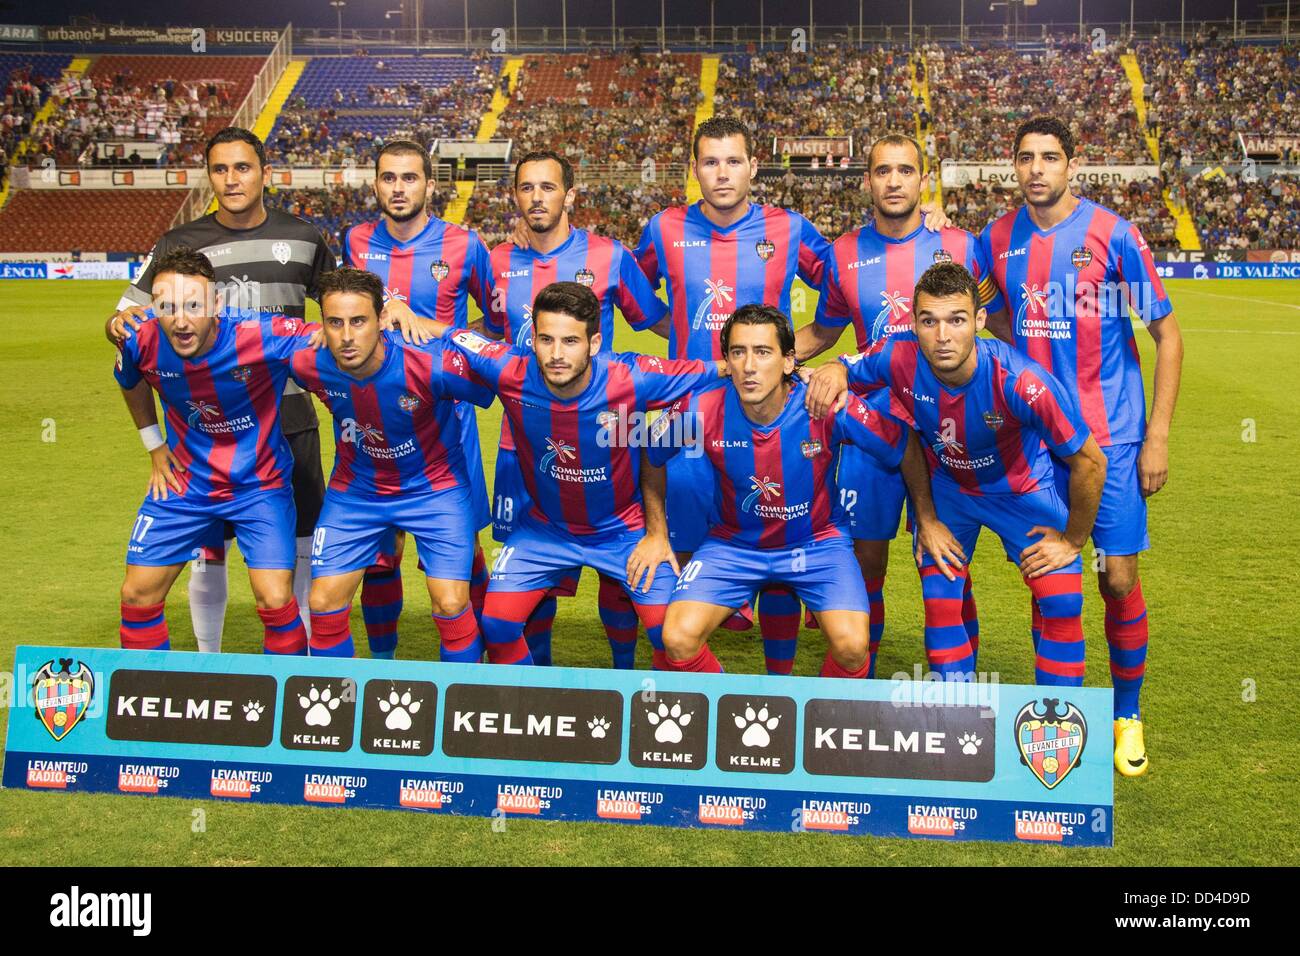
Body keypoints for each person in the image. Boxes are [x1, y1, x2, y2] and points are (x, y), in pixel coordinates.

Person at [979, 116, 1183, 776]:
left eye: (1050, 157)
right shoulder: (997, 238)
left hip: (1114, 438)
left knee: (1117, 580)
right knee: (1050, 575)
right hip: (1038, 443)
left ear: (1072, 165)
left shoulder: (1112, 234)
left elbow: (1168, 337)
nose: (1037, 168)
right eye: (1025, 158)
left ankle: (1126, 712)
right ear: (1013, 166)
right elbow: (989, 311)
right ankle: (1055, 714)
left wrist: (1157, 436)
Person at [807, 262, 1108, 687]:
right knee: (940, 600)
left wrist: (1073, 540)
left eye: (957, 320)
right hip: (949, 491)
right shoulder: (898, 355)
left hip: (1022, 492)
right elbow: (847, 364)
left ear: (980, 320)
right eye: (929, 321)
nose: (943, 336)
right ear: (913, 323)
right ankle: (958, 719)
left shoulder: (1023, 383)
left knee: (1061, 603)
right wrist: (835, 370)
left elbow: (1091, 463)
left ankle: (1058, 726)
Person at [107, 126, 336, 654]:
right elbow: (124, 325)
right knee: (208, 552)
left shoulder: (304, 236)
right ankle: (206, 662)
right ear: (207, 175)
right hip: (199, 426)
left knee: (297, 542)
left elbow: (337, 314)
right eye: (220, 169)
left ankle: (290, 665)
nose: (231, 179)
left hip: (288, 417)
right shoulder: (178, 244)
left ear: (264, 173)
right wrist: (120, 328)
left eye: (242, 167)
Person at [794, 132, 1009, 677]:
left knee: (946, 561)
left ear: (923, 179)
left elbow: (998, 326)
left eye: (905, 171)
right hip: (873, 429)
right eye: (882, 171)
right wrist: (760, 358)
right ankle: (857, 679)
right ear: (867, 180)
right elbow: (824, 329)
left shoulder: (960, 245)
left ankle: (964, 686)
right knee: (866, 559)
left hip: (948, 428)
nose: (893, 181)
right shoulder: (844, 252)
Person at [633, 115, 835, 674]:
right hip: (689, 411)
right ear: (695, 169)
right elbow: (634, 296)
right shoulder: (664, 227)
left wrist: (795, 355)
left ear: (752, 166)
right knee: (688, 531)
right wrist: (687, 360)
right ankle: (702, 650)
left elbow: (839, 292)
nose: (722, 173)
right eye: (710, 161)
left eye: (733, 161)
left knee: (774, 525)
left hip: (769, 410)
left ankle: (778, 678)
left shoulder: (788, 228)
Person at [445, 282, 726, 667]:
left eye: (570, 341)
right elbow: (453, 335)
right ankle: (526, 710)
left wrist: (803, 374)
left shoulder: (632, 377)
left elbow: (719, 371)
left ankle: (690, 715)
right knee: (497, 624)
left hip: (623, 531)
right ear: (533, 339)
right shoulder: (509, 370)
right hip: (545, 528)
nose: (556, 354)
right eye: (546, 339)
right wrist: (402, 317)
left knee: (669, 633)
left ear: (594, 343)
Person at [651, 304, 921, 678]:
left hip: (817, 544)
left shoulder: (824, 405)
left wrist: (930, 518)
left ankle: (817, 722)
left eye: (762, 352)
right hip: (733, 545)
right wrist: (654, 531)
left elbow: (902, 444)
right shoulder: (699, 409)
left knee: (853, 647)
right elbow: (651, 451)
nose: (749, 366)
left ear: (788, 361)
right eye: (738, 352)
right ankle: (734, 714)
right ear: (726, 361)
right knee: (678, 638)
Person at [489, 149, 670, 667]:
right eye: (527, 188)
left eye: (548, 187)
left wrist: (722, 354)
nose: (537, 198)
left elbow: (655, 320)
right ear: (516, 196)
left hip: (608, 437)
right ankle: (535, 684)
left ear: (570, 195)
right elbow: (479, 327)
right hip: (521, 444)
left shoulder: (609, 255)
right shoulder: (498, 259)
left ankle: (624, 678)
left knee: (622, 569)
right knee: (532, 582)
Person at [113, 247, 320, 655]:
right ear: (153, 306)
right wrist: (153, 445)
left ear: (217, 304)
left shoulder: (260, 333)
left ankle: (284, 702)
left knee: (277, 600)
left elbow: (334, 334)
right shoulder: (141, 338)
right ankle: (148, 704)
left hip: (259, 485)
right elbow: (129, 378)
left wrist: (385, 314)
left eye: (194, 305)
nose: (181, 319)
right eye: (167, 306)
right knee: (137, 595)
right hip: (184, 484)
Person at [288, 268, 496, 660]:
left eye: (358, 321)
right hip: (356, 492)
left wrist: (439, 329)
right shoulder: (307, 363)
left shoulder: (430, 363)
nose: (347, 336)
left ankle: (460, 698)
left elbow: (502, 372)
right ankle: (337, 710)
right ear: (322, 325)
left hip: (434, 489)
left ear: (382, 319)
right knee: (323, 601)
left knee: (451, 603)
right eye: (335, 323)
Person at [342, 139, 495, 659]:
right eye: (389, 178)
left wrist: (437, 332)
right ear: (376, 184)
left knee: (462, 545)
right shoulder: (355, 241)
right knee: (380, 552)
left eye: (410, 178)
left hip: (446, 420)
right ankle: (383, 664)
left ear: (430, 185)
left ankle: (483, 659)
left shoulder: (463, 244)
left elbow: (493, 324)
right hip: (373, 417)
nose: (399, 188)